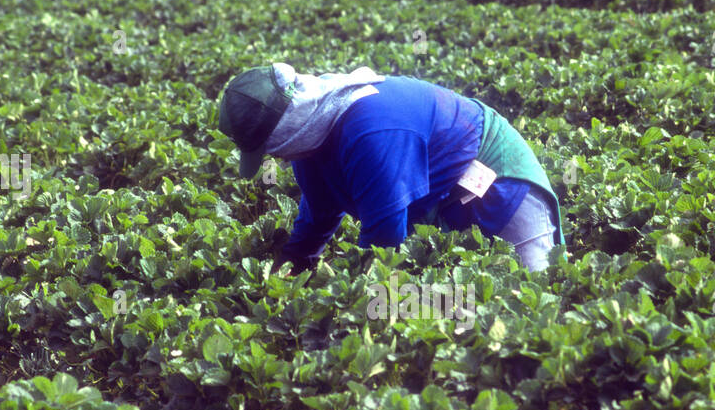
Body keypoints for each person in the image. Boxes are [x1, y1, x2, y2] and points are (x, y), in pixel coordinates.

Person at [216, 63, 566, 272]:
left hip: (499, 185)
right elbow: (318, 216)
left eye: (270, 148)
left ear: (288, 130)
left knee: (535, 303)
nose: (275, 159)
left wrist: (348, 303)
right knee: (464, 315)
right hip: (442, 207)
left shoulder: (371, 130)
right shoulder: (310, 143)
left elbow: (384, 238)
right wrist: (289, 268)